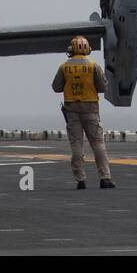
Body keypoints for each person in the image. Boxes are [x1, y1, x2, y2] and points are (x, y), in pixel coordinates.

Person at [52, 36, 114, 189]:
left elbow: (56, 87)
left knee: (76, 144)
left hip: (72, 110)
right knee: (98, 143)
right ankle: (105, 178)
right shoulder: (93, 66)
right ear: (87, 49)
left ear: (72, 49)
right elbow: (103, 87)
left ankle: (80, 180)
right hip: (91, 109)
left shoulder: (64, 67)